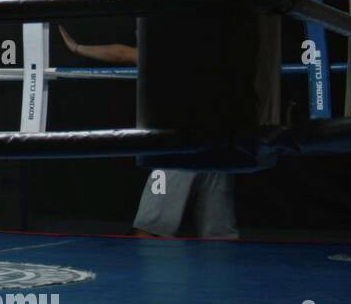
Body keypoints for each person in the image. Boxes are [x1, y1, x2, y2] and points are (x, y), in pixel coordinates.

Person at [58, 24, 238, 238]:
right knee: (217, 231)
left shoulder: (167, 52)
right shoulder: (207, 50)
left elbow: (120, 53)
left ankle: (154, 271)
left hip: (178, 150)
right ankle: (222, 272)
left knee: (149, 225)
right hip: (220, 147)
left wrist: (77, 47)